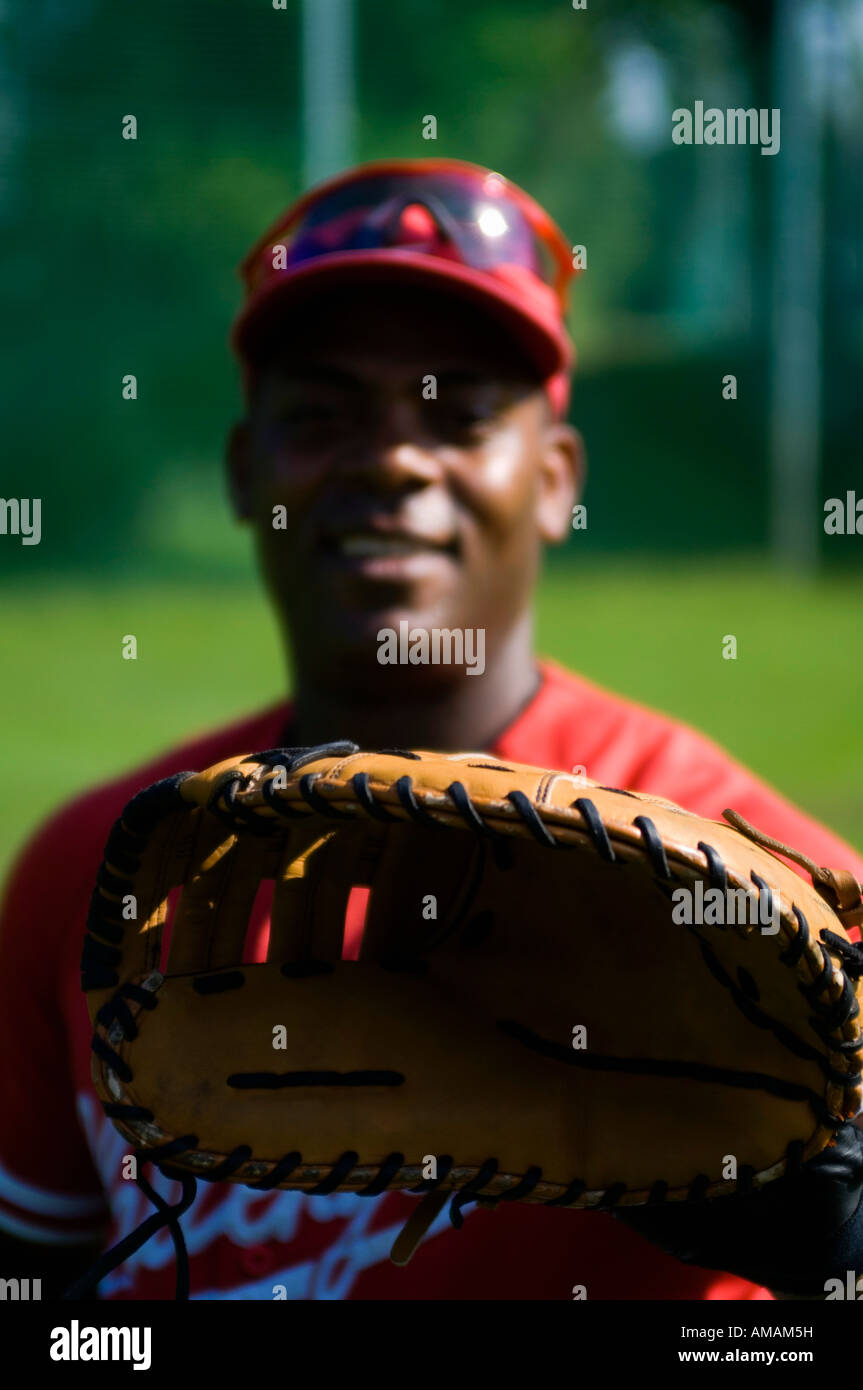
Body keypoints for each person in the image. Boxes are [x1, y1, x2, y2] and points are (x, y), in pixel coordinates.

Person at [1, 158, 860, 1301]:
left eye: (455, 412)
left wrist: (836, 1249)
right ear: (244, 469)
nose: (392, 458)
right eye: (320, 413)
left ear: (556, 480)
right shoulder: (96, 872)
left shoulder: (750, 891)